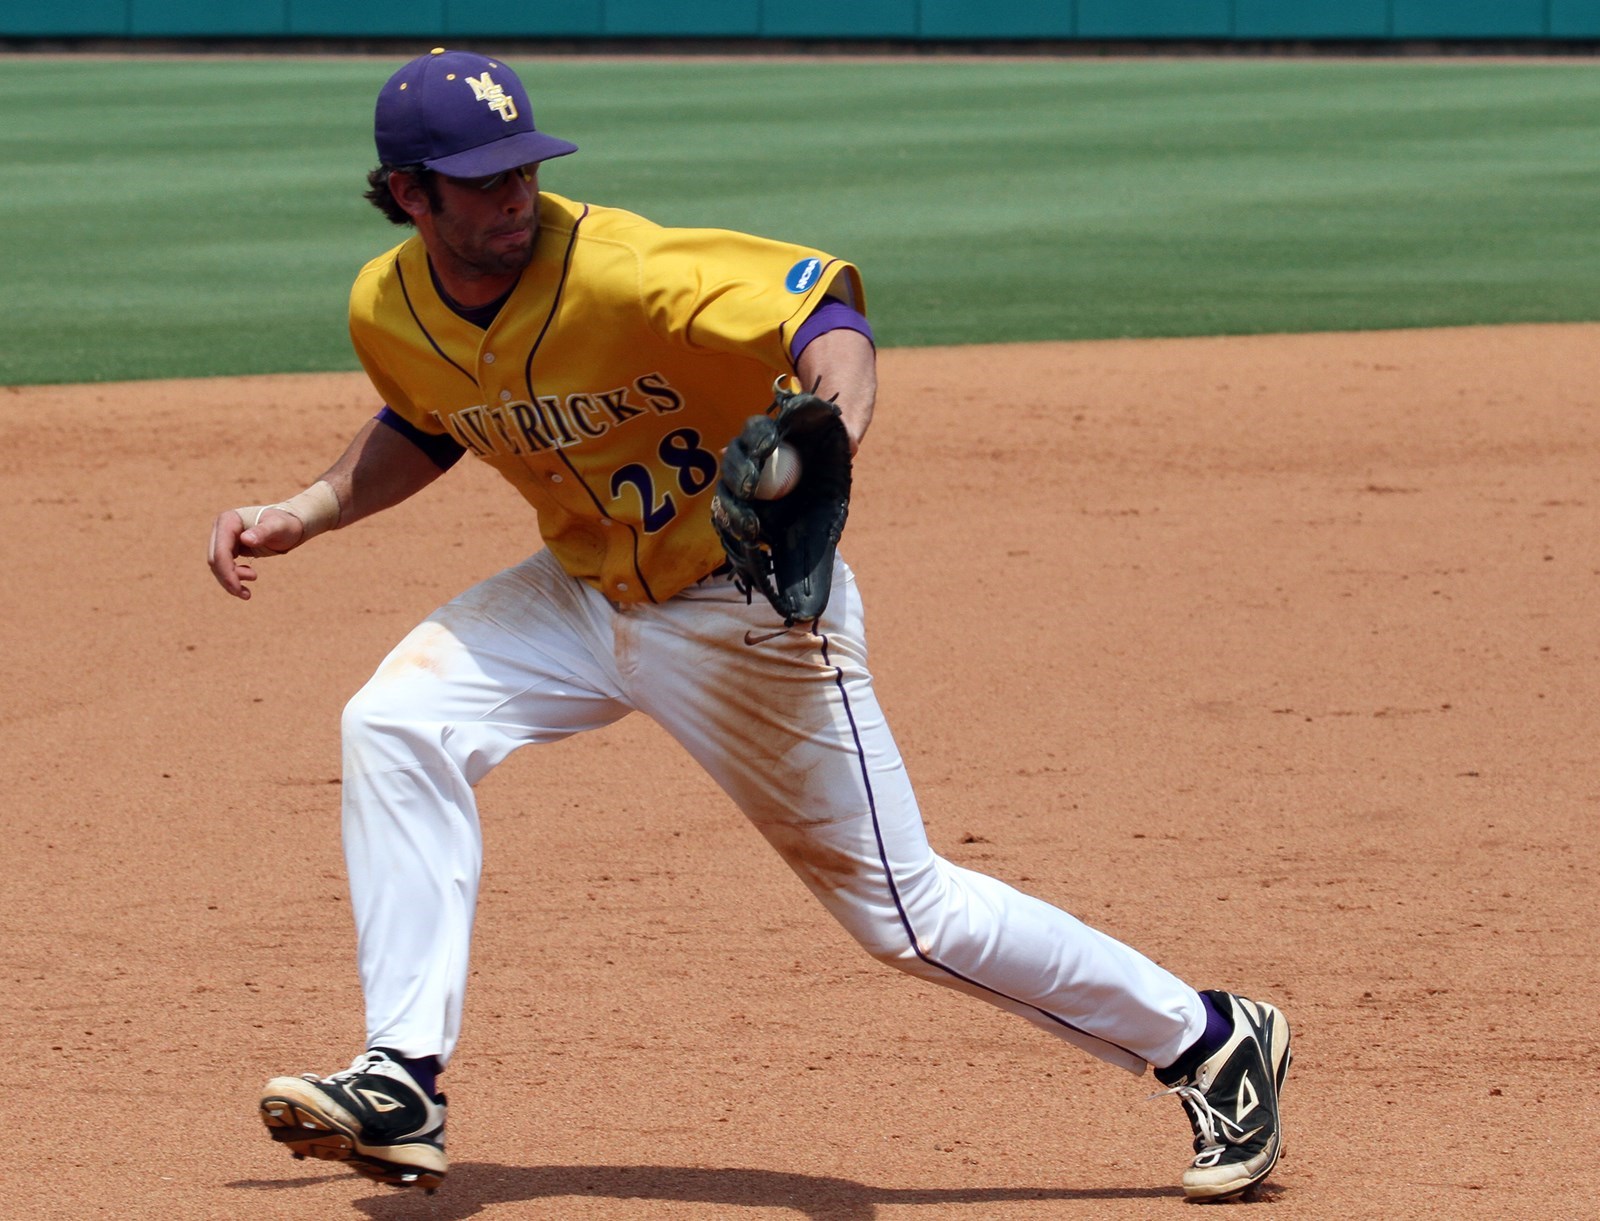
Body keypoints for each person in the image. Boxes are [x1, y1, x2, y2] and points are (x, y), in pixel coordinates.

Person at [209, 48, 1291, 1202]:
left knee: (903, 917)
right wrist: (311, 509)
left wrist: (833, 424)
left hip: (745, 602)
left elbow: (821, 308)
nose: (514, 192)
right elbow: (433, 417)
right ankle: (403, 1074)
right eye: (480, 179)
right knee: (395, 721)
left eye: (522, 164)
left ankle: (1210, 1038)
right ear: (410, 194)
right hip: (578, 594)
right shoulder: (387, 303)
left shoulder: (625, 270)